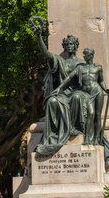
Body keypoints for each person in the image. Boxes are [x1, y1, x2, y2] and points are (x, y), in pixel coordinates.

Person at [56, 48, 109, 167]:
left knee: (97, 116)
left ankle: (96, 139)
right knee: (90, 114)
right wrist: (59, 87)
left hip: (97, 91)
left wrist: (106, 90)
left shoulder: (98, 67)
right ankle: (87, 138)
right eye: (84, 54)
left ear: (92, 55)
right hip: (87, 94)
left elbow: (101, 81)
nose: (85, 56)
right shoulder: (80, 68)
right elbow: (68, 78)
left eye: (87, 54)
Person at [31, 24, 82, 156]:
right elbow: (46, 53)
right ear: (64, 47)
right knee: (52, 101)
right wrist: (38, 36)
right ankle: (53, 135)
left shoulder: (81, 64)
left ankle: (74, 128)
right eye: (67, 44)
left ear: (76, 46)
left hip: (77, 93)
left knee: (77, 97)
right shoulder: (60, 61)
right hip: (63, 94)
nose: (70, 46)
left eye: (72, 44)